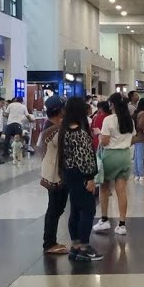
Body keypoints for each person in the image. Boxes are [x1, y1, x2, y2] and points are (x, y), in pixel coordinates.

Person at [59, 97, 102, 261]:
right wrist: (90, 177)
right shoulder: (80, 133)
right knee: (88, 209)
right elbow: (84, 158)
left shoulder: (64, 130)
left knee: (75, 210)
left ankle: (75, 246)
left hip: (69, 174)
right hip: (81, 174)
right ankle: (85, 246)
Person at [95, 93, 135, 236]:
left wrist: (98, 134)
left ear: (111, 104)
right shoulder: (129, 120)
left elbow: (104, 141)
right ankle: (122, 224)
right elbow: (132, 138)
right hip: (125, 155)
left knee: (104, 188)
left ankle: (104, 219)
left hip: (110, 155)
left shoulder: (108, 119)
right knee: (121, 191)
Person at [38, 104, 70, 254]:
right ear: (58, 113)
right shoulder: (55, 128)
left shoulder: (50, 126)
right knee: (55, 208)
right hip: (54, 173)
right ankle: (49, 243)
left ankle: (50, 241)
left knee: (56, 208)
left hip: (53, 171)